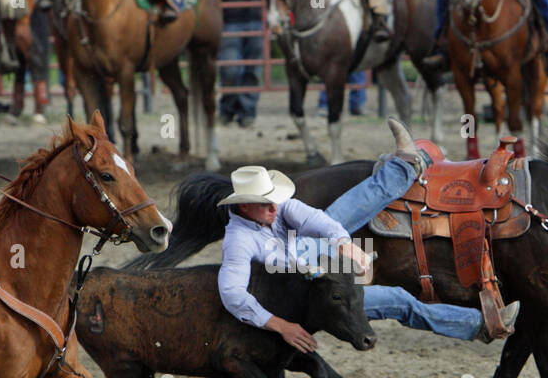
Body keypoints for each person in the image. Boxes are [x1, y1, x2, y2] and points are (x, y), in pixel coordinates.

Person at [217, 123, 519, 349]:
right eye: (266, 203)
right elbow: (233, 295)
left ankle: (403, 168)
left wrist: (347, 246)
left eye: (274, 199)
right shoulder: (239, 242)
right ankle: (481, 325)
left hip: (305, 262)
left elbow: (318, 220)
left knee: (341, 213)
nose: (275, 206)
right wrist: (281, 325)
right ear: (245, 206)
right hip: (301, 295)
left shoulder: (277, 208)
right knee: (398, 299)